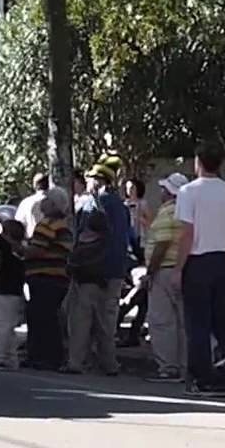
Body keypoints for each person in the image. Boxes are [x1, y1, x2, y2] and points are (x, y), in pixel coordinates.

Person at [176, 142, 225, 394]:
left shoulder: (188, 192)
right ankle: (221, 373)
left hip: (198, 261)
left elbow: (187, 233)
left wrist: (178, 267)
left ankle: (199, 375)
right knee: (223, 322)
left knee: (198, 323)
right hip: (223, 260)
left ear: (198, 162)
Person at [64, 159, 130, 376]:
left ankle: (76, 361)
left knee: (81, 318)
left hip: (92, 270)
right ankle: (109, 363)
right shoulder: (121, 206)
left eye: (91, 178)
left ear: (99, 180)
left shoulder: (93, 204)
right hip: (115, 270)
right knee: (106, 321)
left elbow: (83, 236)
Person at [144, 173, 188, 383]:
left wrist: (150, 271)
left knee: (162, 321)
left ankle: (168, 366)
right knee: (183, 320)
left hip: (165, 270)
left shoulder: (168, 212)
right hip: (184, 268)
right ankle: (186, 364)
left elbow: (161, 243)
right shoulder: (189, 212)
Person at [23, 187, 73, 371]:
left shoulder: (48, 224)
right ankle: (45, 356)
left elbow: (37, 249)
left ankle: (45, 356)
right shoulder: (62, 224)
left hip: (46, 276)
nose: (42, 202)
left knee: (42, 318)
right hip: (56, 277)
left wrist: (17, 248)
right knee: (47, 317)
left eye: (46, 200)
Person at [0, 220, 28, 369]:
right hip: (15, 291)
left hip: (6, 292)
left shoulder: (8, 248)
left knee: (1, 325)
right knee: (8, 327)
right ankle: (10, 356)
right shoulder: (21, 250)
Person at [15, 173, 49, 238]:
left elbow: (18, 225)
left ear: (34, 185)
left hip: (32, 243)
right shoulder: (56, 201)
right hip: (53, 243)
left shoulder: (26, 203)